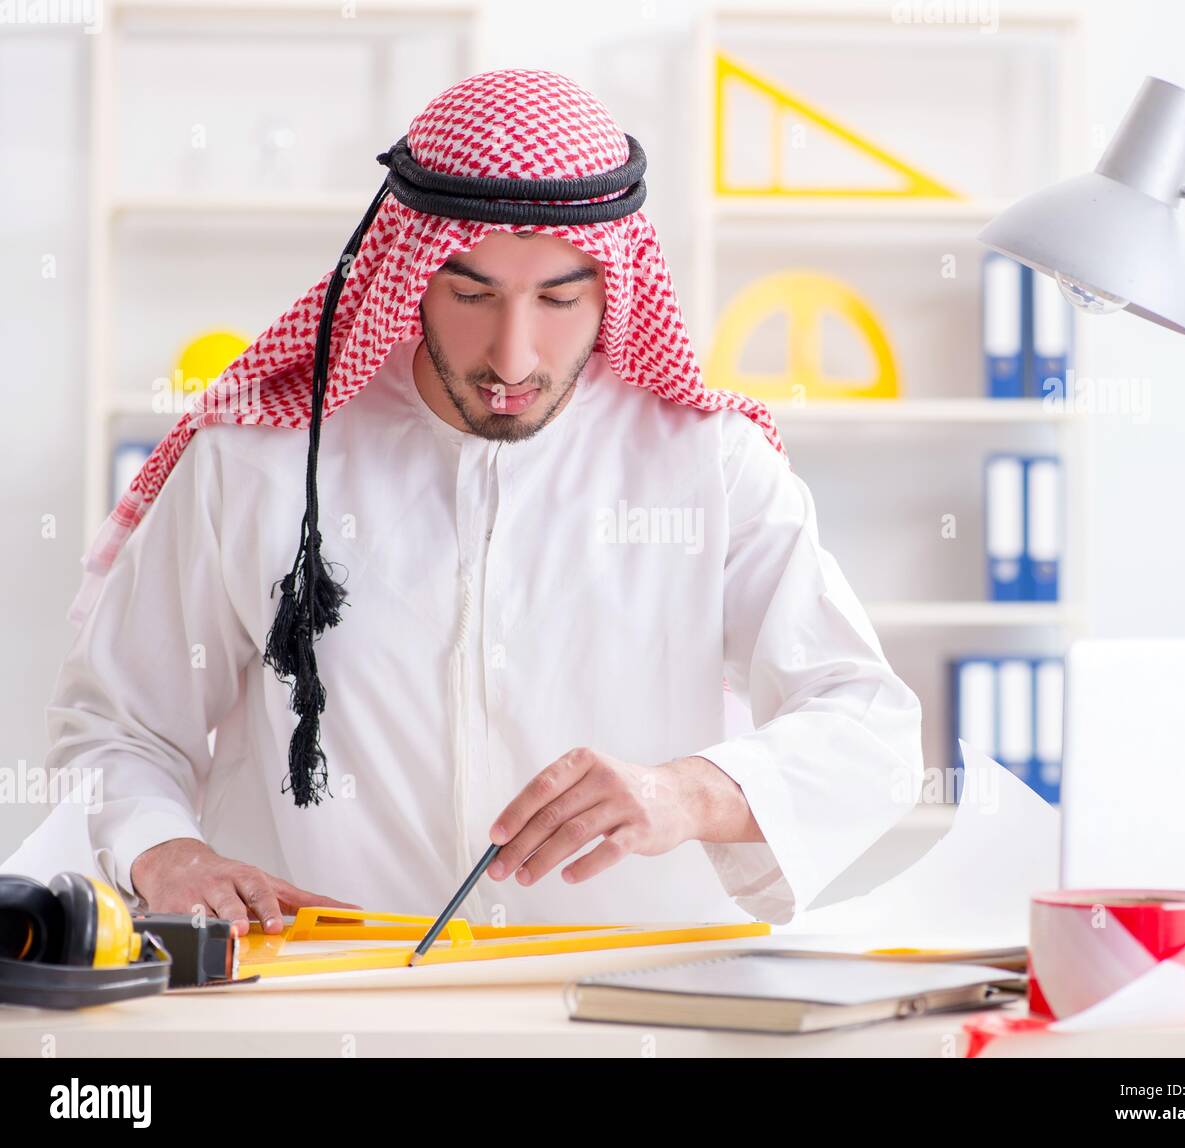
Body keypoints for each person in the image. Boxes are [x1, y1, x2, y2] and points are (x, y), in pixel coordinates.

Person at [44, 69, 923, 936]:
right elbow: (116, 725)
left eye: (558, 297)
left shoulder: (710, 465)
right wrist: (166, 853)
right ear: (409, 270)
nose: (512, 358)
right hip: (319, 1001)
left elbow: (870, 731)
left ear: (614, 282)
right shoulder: (256, 458)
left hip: (637, 1006)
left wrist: (685, 792)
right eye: (471, 294)